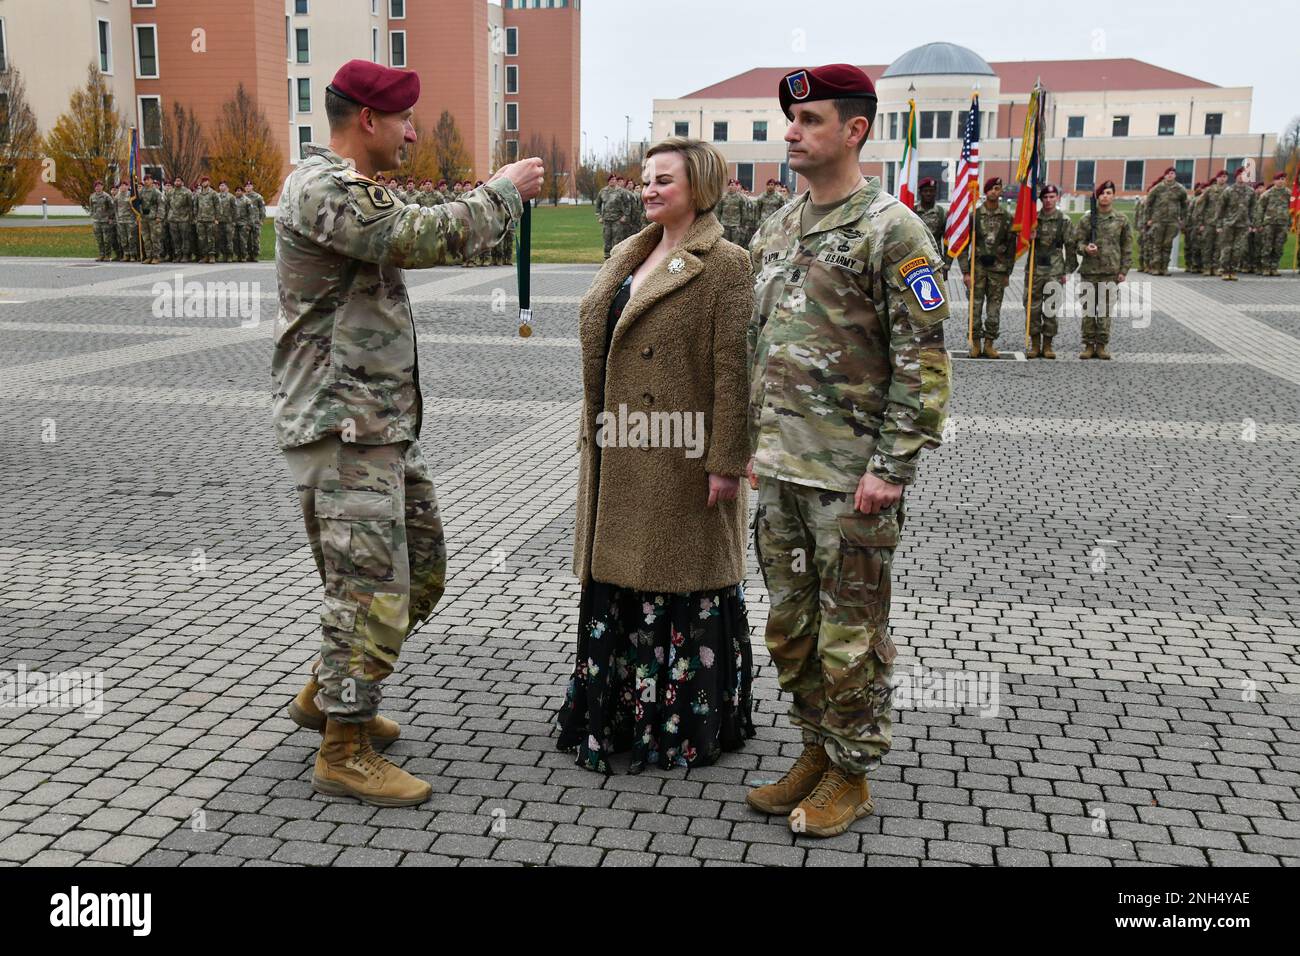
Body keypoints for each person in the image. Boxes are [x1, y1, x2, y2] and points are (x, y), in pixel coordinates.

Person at [274, 59, 544, 807]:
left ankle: (329, 691)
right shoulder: (323, 185)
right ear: (368, 120)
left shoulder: (348, 184)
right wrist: (501, 194)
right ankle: (344, 746)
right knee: (370, 590)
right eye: (403, 121)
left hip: (377, 423)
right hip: (341, 425)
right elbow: (419, 235)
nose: (413, 133)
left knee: (419, 571)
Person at [745, 65, 951, 838]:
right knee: (792, 629)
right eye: (789, 119)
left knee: (851, 635)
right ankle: (813, 752)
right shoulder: (777, 227)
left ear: (856, 130)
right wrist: (748, 451)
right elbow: (754, 345)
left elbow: (925, 360)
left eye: (811, 119)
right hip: (782, 475)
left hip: (848, 480)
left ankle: (852, 774)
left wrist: (890, 468)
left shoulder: (892, 230)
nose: (792, 131)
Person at [559, 136, 754, 774]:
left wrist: (727, 459)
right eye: (645, 179)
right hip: (620, 448)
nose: (647, 189)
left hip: (680, 456)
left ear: (698, 189)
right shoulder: (630, 252)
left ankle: (673, 725)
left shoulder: (726, 264)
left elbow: (735, 371)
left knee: (673, 582)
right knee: (619, 581)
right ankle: (613, 714)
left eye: (663, 181)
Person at [1070, 180, 1130, 360]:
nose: (1105, 196)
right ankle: (1088, 345)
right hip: (1090, 271)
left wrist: (1123, 270)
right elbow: (1076, 242)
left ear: (1113, 196)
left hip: (1110, 271)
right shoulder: (1087, 219)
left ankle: (1102, 345)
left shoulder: (1121, 220)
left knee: (1105, 310)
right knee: (1089, 310)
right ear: (1098, 196)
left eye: (1109, 193)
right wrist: (1085, 249)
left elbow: (1126, 246)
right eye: (1102, 193)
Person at [957, 176, 1015, 357]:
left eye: (997, 188)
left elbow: (1011, 247)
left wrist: (1008, 272)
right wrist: (965, 272)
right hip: (978, 270)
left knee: (993, 309)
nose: (994, 191)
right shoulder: (974, 216)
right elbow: (963, 245)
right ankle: (975, 343)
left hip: (998, 271)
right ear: (985, 191)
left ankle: (989, 343)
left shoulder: (1006, 217)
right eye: (990, 188)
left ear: (1001, 192)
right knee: (975, 307)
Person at [1022, 183, 1072, 359]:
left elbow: (1070, 246)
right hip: (1035, 270)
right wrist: (1029, 237)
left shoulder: (1063, 220)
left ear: (1057, 198)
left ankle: (1048, 345)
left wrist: (1067, 271)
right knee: (1032, 307)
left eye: (1052, 197)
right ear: (1041, 199)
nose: (1049, 200)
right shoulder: (1033, 220)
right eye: (1045, 197)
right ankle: (1035, 344)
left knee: (1051, 307)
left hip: (1054, 270)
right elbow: (1020, 243)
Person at [1144, 167, 1187, 276]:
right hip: (1158, 220)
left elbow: (1184, 205)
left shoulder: (1180, 189)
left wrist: (1182, 218)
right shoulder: (1158, 188)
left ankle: (1164, 268)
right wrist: (1148, 218)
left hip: (1172, 221)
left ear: (1175, 175)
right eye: (1168, 174)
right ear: (1164, 176)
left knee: (1167, 245)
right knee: (1157, 245)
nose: (1170, 175)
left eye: (1172, 173)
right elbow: (1148, 202)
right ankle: (1156, 267)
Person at [1216, 166, 1256, 281]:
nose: (1242, 178)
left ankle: (1233, 270)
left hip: (1243, 224)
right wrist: (1219, 225)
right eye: (1240, 175)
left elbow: (1253, 208)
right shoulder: (1228, 190)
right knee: (1227, 248)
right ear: (1236, 177)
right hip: (1229, 223)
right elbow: (1220, 208)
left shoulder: (1250, 191)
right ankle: (1225, 270)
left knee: (1239, 248)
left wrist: (1251, 224)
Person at [914, 176, 949, 277]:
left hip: (936, 260)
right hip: (917, 260)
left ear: (935, 192)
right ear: (920, 192)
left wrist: (946, 265)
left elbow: (947, 241)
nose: (928, 193)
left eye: (931, 191)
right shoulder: (912, 212)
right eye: (925, 191)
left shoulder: (943, 213)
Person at [1258, 172, 1291, 276]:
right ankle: (1266, 267)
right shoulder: (1267, 194)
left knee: (1279, 247)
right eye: (1278, 179)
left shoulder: (1288, 193)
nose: (1281, 181)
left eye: (1283, 179)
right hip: (1269, 223)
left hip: (1282, 224)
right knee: (1267, 246)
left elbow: (1292, 208)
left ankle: (1274, 267)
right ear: (1274, 181)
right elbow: (1260, 209)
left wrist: (1290, 224)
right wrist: (1259, 224)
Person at [169, 177, 195, 262]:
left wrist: (191, 218)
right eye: (175, 180)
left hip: (184, 218)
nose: (177, 182)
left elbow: (191, 206)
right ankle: (178, 255)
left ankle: (185, 255)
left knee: (185, 238)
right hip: (173, 219)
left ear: (182, 182)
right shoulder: (170, 192)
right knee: (175, 239)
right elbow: (167, 205)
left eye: (179, 180)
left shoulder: (187, 192)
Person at [89, 181, 115, 261]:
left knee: (106, 240)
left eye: (99, 186)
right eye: (96, 186)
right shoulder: (92, 196)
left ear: (102, 187)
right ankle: (101, 255)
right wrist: (93, 216)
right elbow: (91, 207)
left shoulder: (106, 196)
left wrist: (111, 218)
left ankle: (107, 255)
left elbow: (112, 207)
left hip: (105, 221)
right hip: (96, 221)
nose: (98, 188)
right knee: (99, 240)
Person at [194, 175, 218, 263]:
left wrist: (216, 218)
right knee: (202, 239)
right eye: (203, 181)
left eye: (206, 181)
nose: (204, 183)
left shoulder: (213, 193)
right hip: (200, 219)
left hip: (211, 219)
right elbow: (195, 206)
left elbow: (217, 206)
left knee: (210, 238)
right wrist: (196, 217)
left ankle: (211, 255)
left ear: (209, 182)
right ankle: (205, 256)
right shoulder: (198, 194)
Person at [113, 182, 139, 262]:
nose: (123, 187)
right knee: (123, 239)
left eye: (125, 185)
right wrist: (117, 218)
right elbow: (115, 208)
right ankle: (126, 254)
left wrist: (136, 219)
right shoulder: (117, 196)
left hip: (130, 220)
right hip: (121, 221)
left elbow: (136, 208)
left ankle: (133, 255)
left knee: (131, 238)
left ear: (128, 186)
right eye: (121, 186)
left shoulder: (131, 195)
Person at [244, 181, 267, 261]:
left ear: (252, 187)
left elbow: (262, 209)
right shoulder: (243, 197)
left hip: (256, 221)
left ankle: (255, 255)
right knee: (247, 240)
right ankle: (249, 255)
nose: (248, 187)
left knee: (255, 240)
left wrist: (261, 220)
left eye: (249, 186)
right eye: (246, 186)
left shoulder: (258, 197)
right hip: (246, 222)